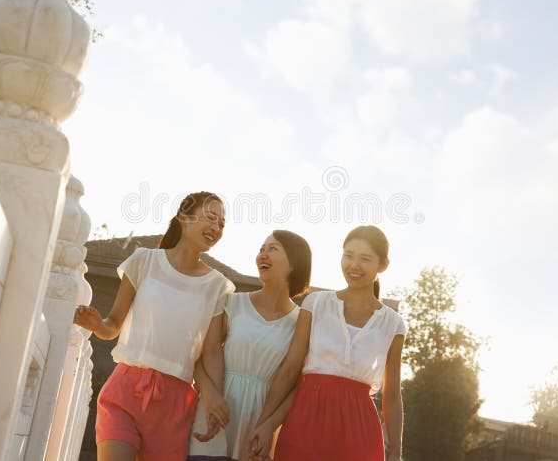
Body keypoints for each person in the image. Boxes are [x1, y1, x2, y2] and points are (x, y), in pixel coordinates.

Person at [74, 192, 235, 461]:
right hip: (125, 390)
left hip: (176, 405)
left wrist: (212, 399)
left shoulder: (218, 286)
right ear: (184, 216)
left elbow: (212, 353)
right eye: (210, 217)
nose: (217, 227)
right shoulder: (144, 261)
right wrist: (96, 325)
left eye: (222, 223)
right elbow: (112, 325)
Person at [248, 225, 405, 461]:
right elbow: (291, 368)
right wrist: (265, 424)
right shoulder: (316, 304)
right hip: (305, 418)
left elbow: (392, 394)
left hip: (359, 429)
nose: (354, 265)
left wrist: (395, 450)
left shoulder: (394, 324)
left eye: (365, 259)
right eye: (348, 255)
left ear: (382, 265)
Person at [188, 230, 312, 461]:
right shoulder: (232, 302)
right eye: (261, 249)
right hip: (213, 412)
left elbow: (297, 384)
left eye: (272, 249)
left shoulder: (302, 323)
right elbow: (200, 354)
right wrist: (210, 395)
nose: (262, 255)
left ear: (294, 263)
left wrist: (269, 426)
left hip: (259, 426)